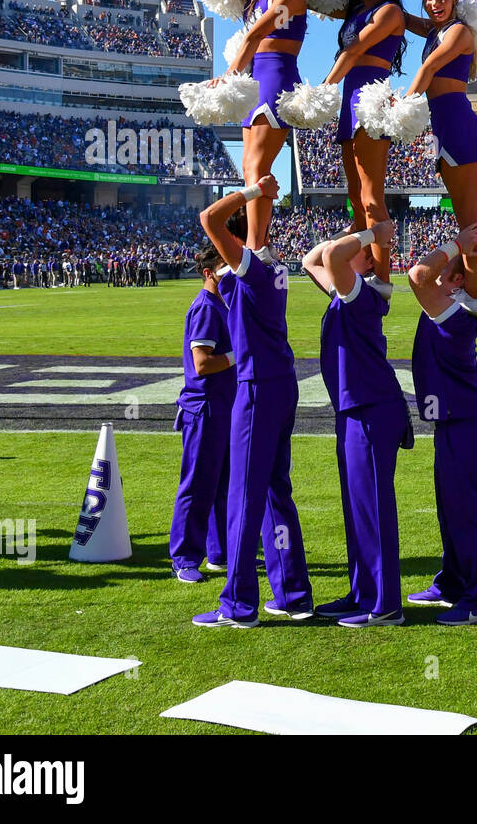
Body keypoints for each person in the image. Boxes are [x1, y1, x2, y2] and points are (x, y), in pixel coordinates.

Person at [194, 176, 313, 628]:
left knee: (243, 496)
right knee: (276, 492)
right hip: (281, 382)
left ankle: (238, 604)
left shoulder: (252, 267)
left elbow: (210, 219)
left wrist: (253, 189)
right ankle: (293, 594)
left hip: (258, 387)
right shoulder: (271, 268)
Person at [303, 220, 413, 627]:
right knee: (357, 508)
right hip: (353, 410)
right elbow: (311, 259)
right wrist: (359, 234)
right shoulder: (345, 290)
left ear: (364, 261)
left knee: (374, 509)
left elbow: (329, 257)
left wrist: (372, 235)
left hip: (370, 409)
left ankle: (385, 603)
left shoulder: (359, 293)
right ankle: (363, 592)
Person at [405, 221, 477, 624]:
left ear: (459, 279)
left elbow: (417, 275)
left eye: (447, 271)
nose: (437, 275)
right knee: (451, 512)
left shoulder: (455, 312)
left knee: (468, 515)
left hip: (463, 424)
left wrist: (458, 245)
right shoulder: (459, 307)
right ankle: (453, 582)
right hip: (453, 422)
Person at [402, 0, 477, 301]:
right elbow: (403, 19)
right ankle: (473, 288)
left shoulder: (457, 31)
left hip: (456, 122)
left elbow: (426, 71)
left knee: (469, 219)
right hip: (444, 125)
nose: (434, 3)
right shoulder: (436, 31)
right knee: (465, 218)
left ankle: (475, 295)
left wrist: (400, 111)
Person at [218, 0, 307, 254]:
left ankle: (255, 248)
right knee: (249, 169)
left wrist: (227, 77)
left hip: (276, 75)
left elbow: (255, 37)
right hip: (253, 79)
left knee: (257, 167)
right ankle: (260, 242)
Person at [320, 0, 407, 271]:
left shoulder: (389, 12)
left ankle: (382, 277)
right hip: (349, 100)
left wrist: (323, 89)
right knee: (356, 199)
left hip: (371, 101)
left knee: (372, 198)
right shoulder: (355, 12)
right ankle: (365, 265)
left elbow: (355, 50)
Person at [168, 244, 236, 582]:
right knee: (196, 485)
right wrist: (238, 356)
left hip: (223, 405)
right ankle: (183, 558)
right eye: (224, 270)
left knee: (224, 485)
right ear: (209, 273)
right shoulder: (206, 308)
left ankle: (219, 553)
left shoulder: (223, 304)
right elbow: (202, 362)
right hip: (204, 406)